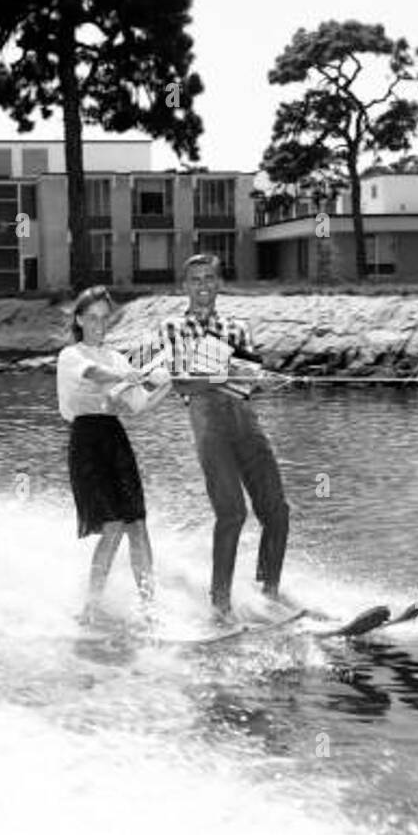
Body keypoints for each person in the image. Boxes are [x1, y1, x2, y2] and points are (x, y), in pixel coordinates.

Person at [136, 254, 290, 617]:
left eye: (209, 278)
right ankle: (220, 602)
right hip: (209, 427)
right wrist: (217, 374)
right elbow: (161, 376)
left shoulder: (237, 327)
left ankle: (269, 593)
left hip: (246, 422)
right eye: (195, 279)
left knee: (277, 511)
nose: (202, 285)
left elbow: (248, 381)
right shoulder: (170, 329)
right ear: (184, 286)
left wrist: (263, 380)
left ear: (219, 283)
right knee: (232, 513)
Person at [57, 285, 172, 611]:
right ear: (79, 319)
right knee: (112, 524)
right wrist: (129, 374)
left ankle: (151, 610)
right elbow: (94, 374)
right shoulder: (72, 355)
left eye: (104, 318)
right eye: (91, 318)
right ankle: (90, 608)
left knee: (136, 523)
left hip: (115, 439)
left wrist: (167, 384)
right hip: (86, 440)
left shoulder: (117, 357)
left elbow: (140, 405)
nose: (98, 324)